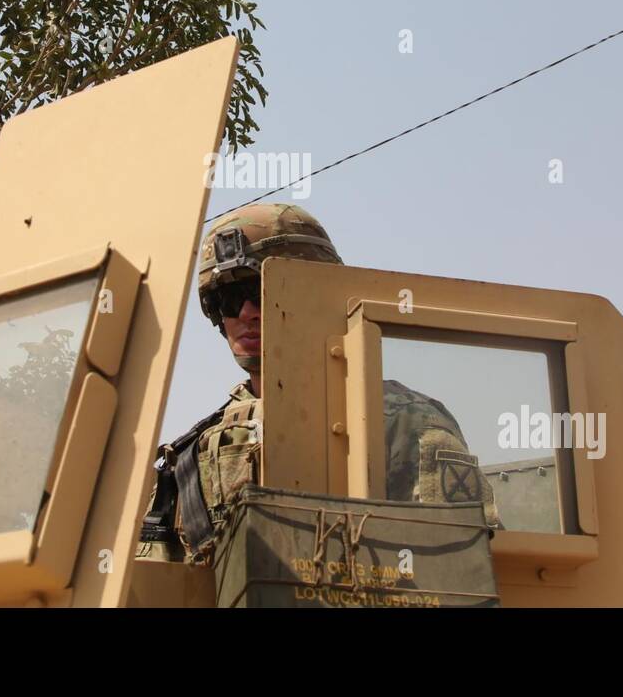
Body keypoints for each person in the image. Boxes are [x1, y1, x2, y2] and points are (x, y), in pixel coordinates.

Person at [138, 203, 500, 564]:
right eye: (228, 299)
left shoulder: (401, 421)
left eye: (260, 288)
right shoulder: (192, 454)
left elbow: (464, 565)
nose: (246, 312)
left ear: (316, 291)